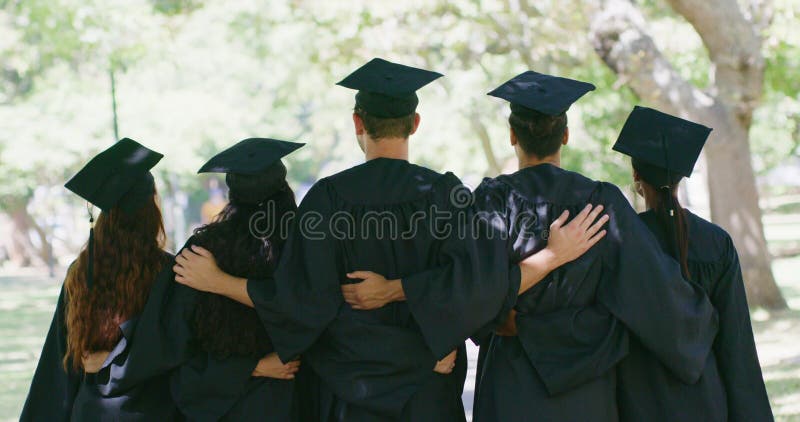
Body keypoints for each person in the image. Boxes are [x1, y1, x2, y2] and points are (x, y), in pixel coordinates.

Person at [173, 59, 605, 421]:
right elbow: (473, 293)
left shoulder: (326, 199)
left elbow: (302, 304)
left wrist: (219, 282)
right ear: (415, 124)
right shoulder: (448, 195)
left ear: (358, 123)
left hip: (350, 398)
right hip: (429, 394)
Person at [343, 72, 720, 421]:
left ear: (512, 135)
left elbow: (469, 291)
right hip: (586, 392)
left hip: (511, 385)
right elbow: (657, 297)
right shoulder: (601, 204)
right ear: (566, 136)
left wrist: (398, 292)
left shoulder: (491, 202)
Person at [101, 138, 311, 421]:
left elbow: (169, 341)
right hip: (294, 400)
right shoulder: (307, 246)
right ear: (284, 188)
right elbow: (312, 315)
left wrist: (113, 366)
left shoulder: (201, 253)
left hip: (224, 405)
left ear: (231, 193)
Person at [612, 106, 773, 421]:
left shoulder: (621, 242)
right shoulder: (716, 243)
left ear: (636, 176)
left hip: (639, 403)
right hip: (707, 403)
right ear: (681, 178)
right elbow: (735, 347)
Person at [21, 138, 177, 420]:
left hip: (92, 411)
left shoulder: (81, 271)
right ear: (151, 207)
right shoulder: (169, 271)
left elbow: (59, 363)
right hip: (152, 411)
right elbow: (176, 348)